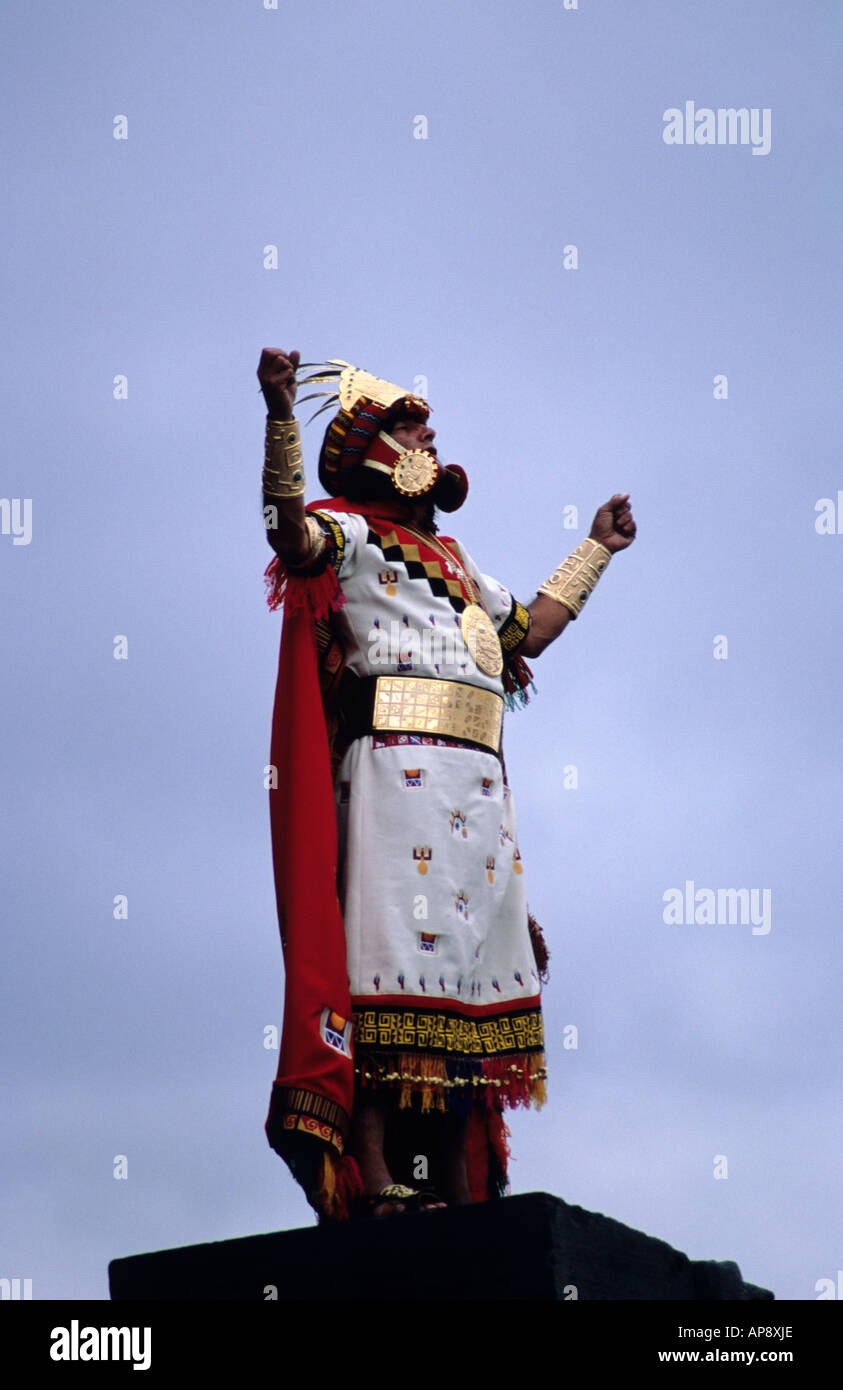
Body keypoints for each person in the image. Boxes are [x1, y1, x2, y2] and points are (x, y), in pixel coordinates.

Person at [257, 347, 636, 1221]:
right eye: (409, 421)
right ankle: (378, 1161)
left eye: (425, 422)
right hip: (393, 773)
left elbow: (527, 635)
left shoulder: (458, 563)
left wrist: (595, 548)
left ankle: (463, 1190)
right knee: (392, 961)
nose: (428, 433)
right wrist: (280, 413)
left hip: (477, 792)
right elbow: (288, 534)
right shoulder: (346, 535)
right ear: (370, 447)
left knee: (474, 973)